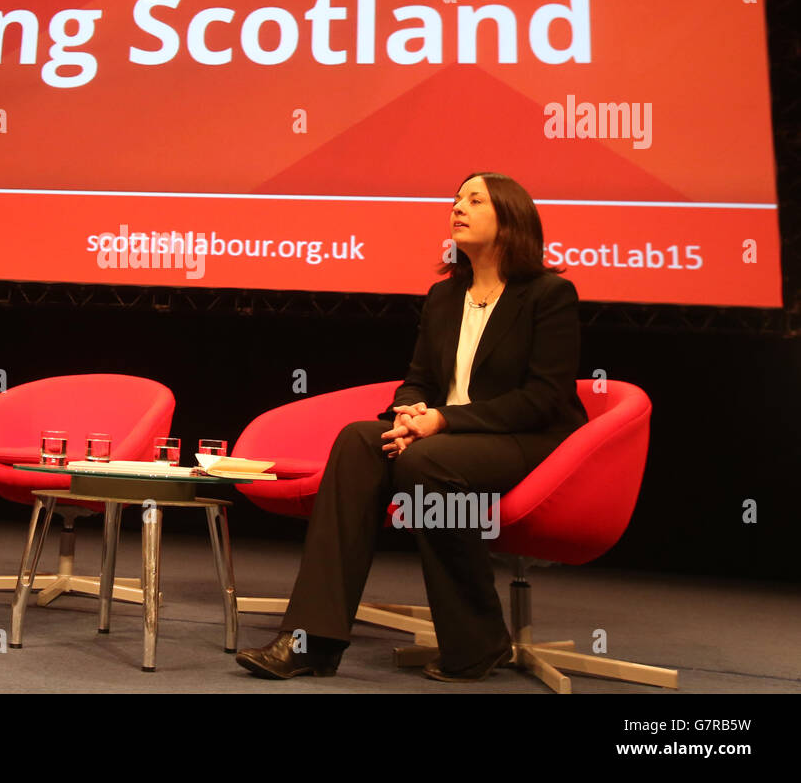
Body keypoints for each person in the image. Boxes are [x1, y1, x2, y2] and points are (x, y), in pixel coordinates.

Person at [236, 172, 587, 681]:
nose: (457, 208)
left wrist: (442, 420)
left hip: (527, 440)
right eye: (455, 200)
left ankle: (477, 640)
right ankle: (312, 640)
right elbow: (419, 379)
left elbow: (543, 398)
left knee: (427, 462)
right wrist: (408, 414)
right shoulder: (445, 296)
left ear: (511, 220)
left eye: (474, 200)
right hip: (448, 438)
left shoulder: (549, 294)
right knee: (360, 440)